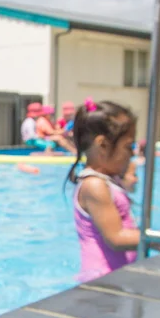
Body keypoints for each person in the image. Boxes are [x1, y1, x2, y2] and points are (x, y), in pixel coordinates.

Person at [69, 101, 141, 283]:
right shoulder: (94, 186)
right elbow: (115, 237)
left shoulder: (108, 181)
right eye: (128, 147)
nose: (131, 154)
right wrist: (157, 238)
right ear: (102, 145)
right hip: (102, 281)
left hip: (115, 277)